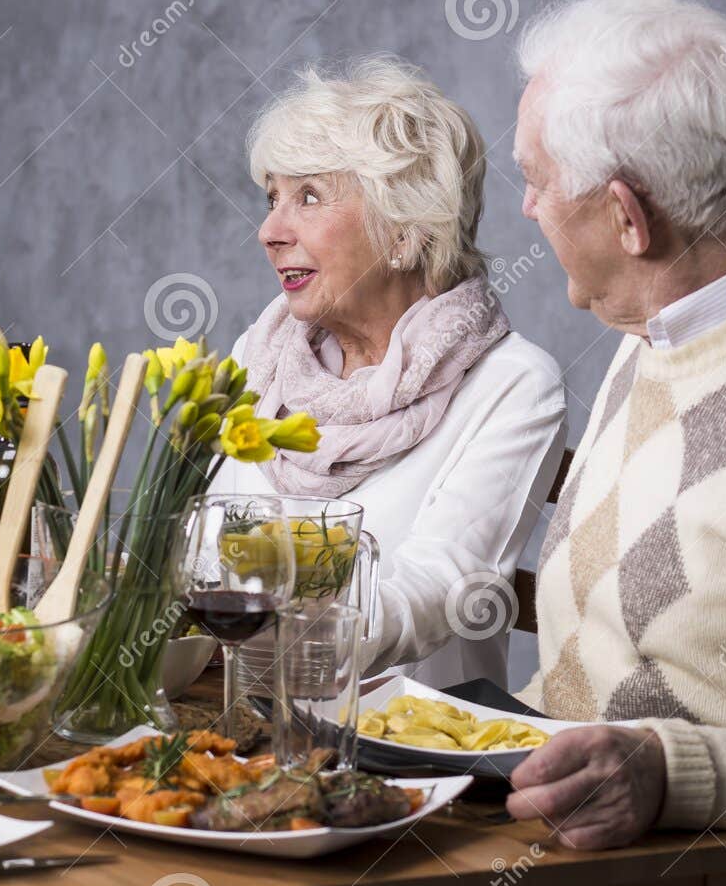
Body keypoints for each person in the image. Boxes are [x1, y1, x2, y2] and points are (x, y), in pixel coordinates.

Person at [506, 0, 726, 886]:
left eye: (535, 179)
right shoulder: (661, 321)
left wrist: (666, 772)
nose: (524, 207)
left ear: (624, 215)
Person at [212, 55, 566, 688]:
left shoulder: (512, 385)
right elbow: (210, 551)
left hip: (404, 755)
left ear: (405, 231)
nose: (268, 230)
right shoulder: (257, 357)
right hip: (239, 723)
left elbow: (437, 589)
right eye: (272, 198)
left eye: (309, 197)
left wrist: (268, 638)